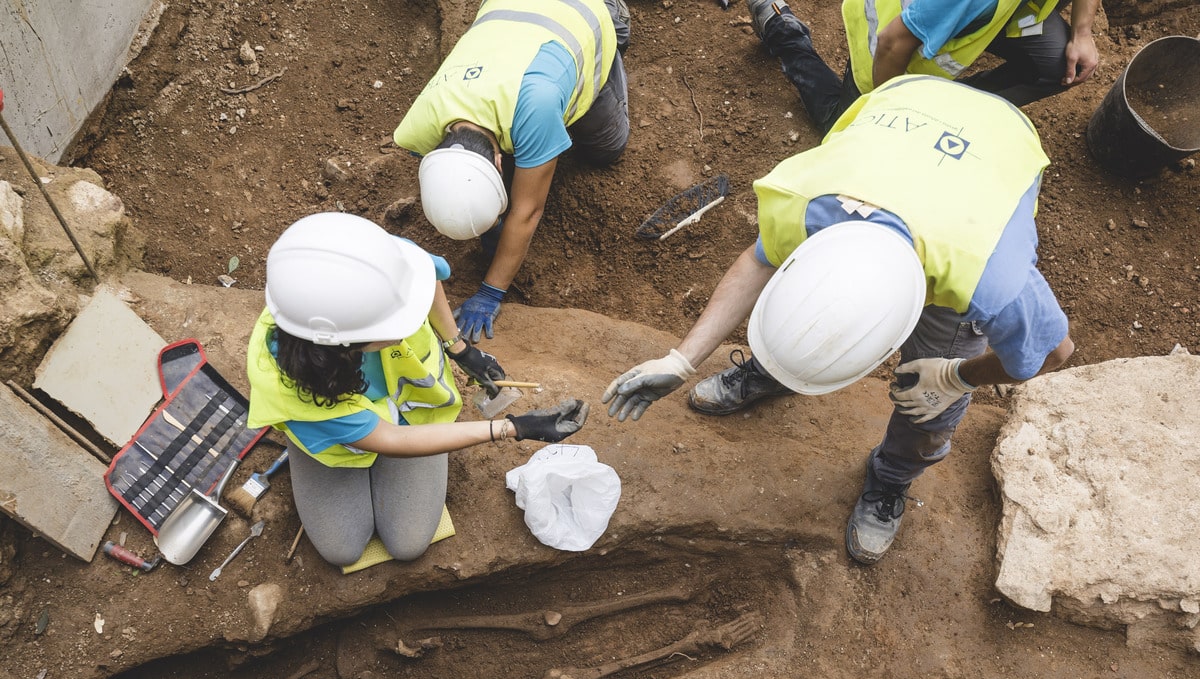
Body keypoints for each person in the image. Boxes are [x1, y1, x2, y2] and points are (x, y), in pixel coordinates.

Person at [601, 76, 1074, 565]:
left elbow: (1055, 353)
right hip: (908, 98)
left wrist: (958, 376)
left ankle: (891, 479)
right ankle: (776, 369)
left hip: (1000, 141)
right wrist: (681, 360)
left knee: (929, 403)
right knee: (800, 322)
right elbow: (758, 263)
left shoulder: (987, 277)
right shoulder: (804, 206)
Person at [246, 212, 589, 567]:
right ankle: (315, 442)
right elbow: (391, 439)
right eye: (392, 324)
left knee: (407, 544)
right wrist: (514, 427)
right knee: (343, 549)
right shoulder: (295, 385)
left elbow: (425, 279)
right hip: (351, 437)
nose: (407, 327)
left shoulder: (379, 262)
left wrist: (459, 348)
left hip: (412, 414)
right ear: (344, 347)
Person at [393, 0, 631, 343]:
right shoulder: (418, 124)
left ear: (501, 161)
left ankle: (615, 26)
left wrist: (491, 292)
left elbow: (527, 211)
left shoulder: (536, 104)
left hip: (583, 11)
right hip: (513, 15)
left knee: (606, 147)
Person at [747, 0, 1100, 134]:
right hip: (885, 42)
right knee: (847, 130)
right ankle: (782, 29)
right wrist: (889, 120)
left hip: (989, 14)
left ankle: (936, 116)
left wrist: (1082, 32)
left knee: (1058, 65)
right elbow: (892, 42)